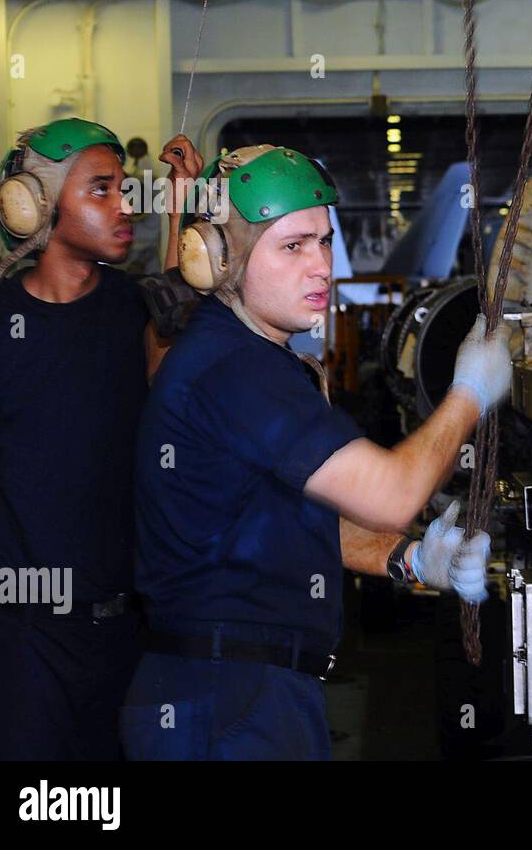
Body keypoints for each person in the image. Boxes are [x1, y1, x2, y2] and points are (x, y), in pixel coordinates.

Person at [123, 144, 509, 760]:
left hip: (246, 693)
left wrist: (410, 560)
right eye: (293, 246)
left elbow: (289, 524)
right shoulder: (235, 371)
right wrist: (468, 394)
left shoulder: (251, 358)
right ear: (220, 259)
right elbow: (391, 495)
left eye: (324, 241)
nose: (323, 266)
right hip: (227, 702)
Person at [0, 118, 202, 759]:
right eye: (101, 189)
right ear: (36, 205)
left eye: (126, 188)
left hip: (127, 628)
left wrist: (181, 197)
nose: (127, 205)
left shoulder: (131, 309)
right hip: (25, 639)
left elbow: (173, 328)